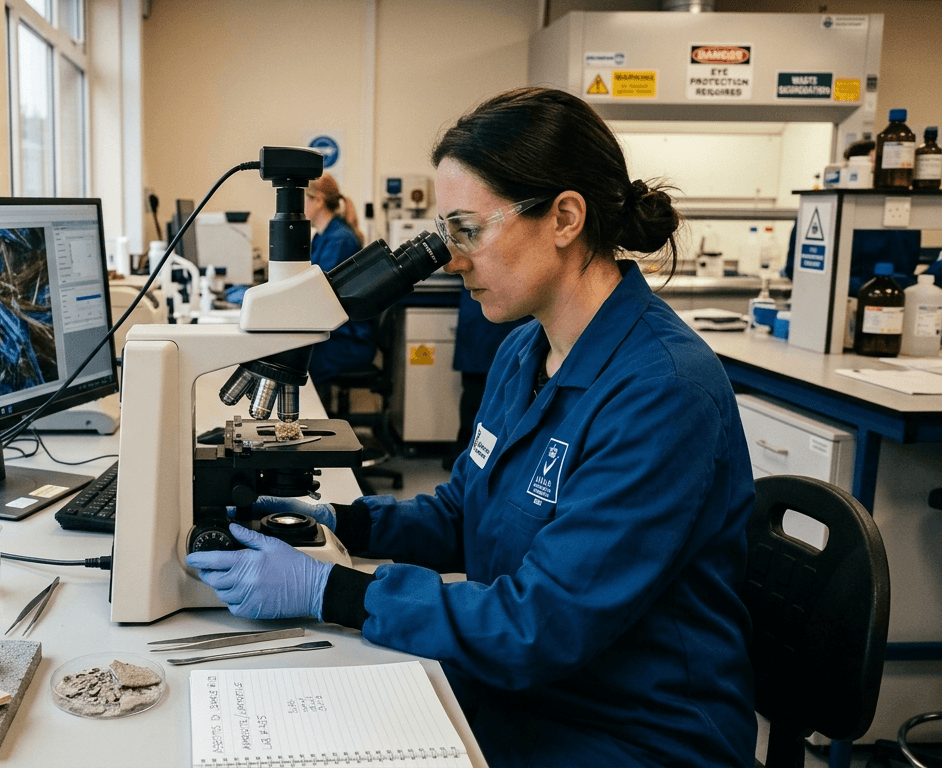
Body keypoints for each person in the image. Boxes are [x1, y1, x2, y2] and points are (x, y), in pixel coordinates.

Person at [186, 87, 756, 767]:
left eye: (468, 230)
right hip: (520, 694)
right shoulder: (526, 349)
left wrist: (328, 590)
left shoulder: (663, 392)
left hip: (630, 732)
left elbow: (540, 623)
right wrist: (338, 521)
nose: (453, 259)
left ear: (565, 217)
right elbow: (466, 513)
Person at [304, 173, 375, 385]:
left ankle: (310, 417)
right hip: (333, 337)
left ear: (318, 201)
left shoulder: (339, 239)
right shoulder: (324, 236)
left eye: (302, 199)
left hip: (347, 343)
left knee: (294, 360)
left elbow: (318, 291)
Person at [445, 289, 528, 469]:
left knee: (480, 395)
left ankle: (472, 460)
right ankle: (470, 461)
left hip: (491, 326)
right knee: (479, 397)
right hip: (486, 325)